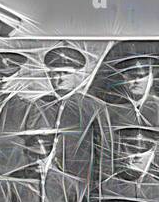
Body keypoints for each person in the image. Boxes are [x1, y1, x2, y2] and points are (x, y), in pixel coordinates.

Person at [102, 51, 159, 188]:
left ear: (151, 77)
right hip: (121, 186)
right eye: (132, 76)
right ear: (123, 77)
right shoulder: (110, 112)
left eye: (142, 76)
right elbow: (105, 154)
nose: (137, 81)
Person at [31, 46, 111, 187]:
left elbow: (105, 152)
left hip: (80, 183)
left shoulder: (92, 107)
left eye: (65, 73)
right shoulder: (39, 105)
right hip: (43, 184)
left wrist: (99, 187)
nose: (59, 78)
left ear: (76, 75)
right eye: (55, 73)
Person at [0, 50, 35, 174]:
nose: (3, 80)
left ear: (17, 77)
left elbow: (36, 150)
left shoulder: (28, 109)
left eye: (8, 75)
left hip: (16, 179)